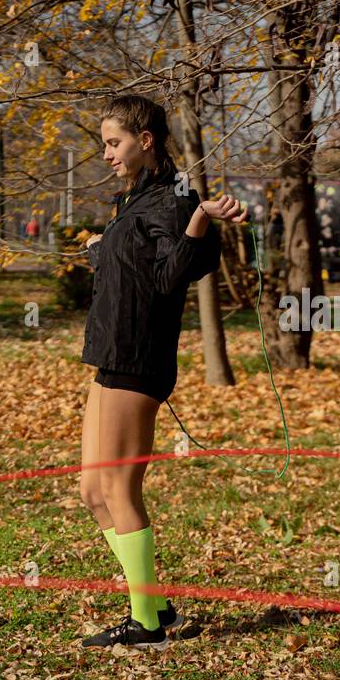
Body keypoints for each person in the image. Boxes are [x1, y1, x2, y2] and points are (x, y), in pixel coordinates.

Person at [77, 93, 245, 650]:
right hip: (110, 355)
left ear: (144, 141)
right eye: (104, 143)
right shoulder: (136, 199)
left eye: (113, 142)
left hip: (140, 359)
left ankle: (147, 623)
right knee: (91, 491)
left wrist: (198, 218)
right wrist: (103, 249)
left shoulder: (173, 200)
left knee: (120, 489)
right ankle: (154, 605)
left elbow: (173, 277)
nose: (106, 153)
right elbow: (135, 267)